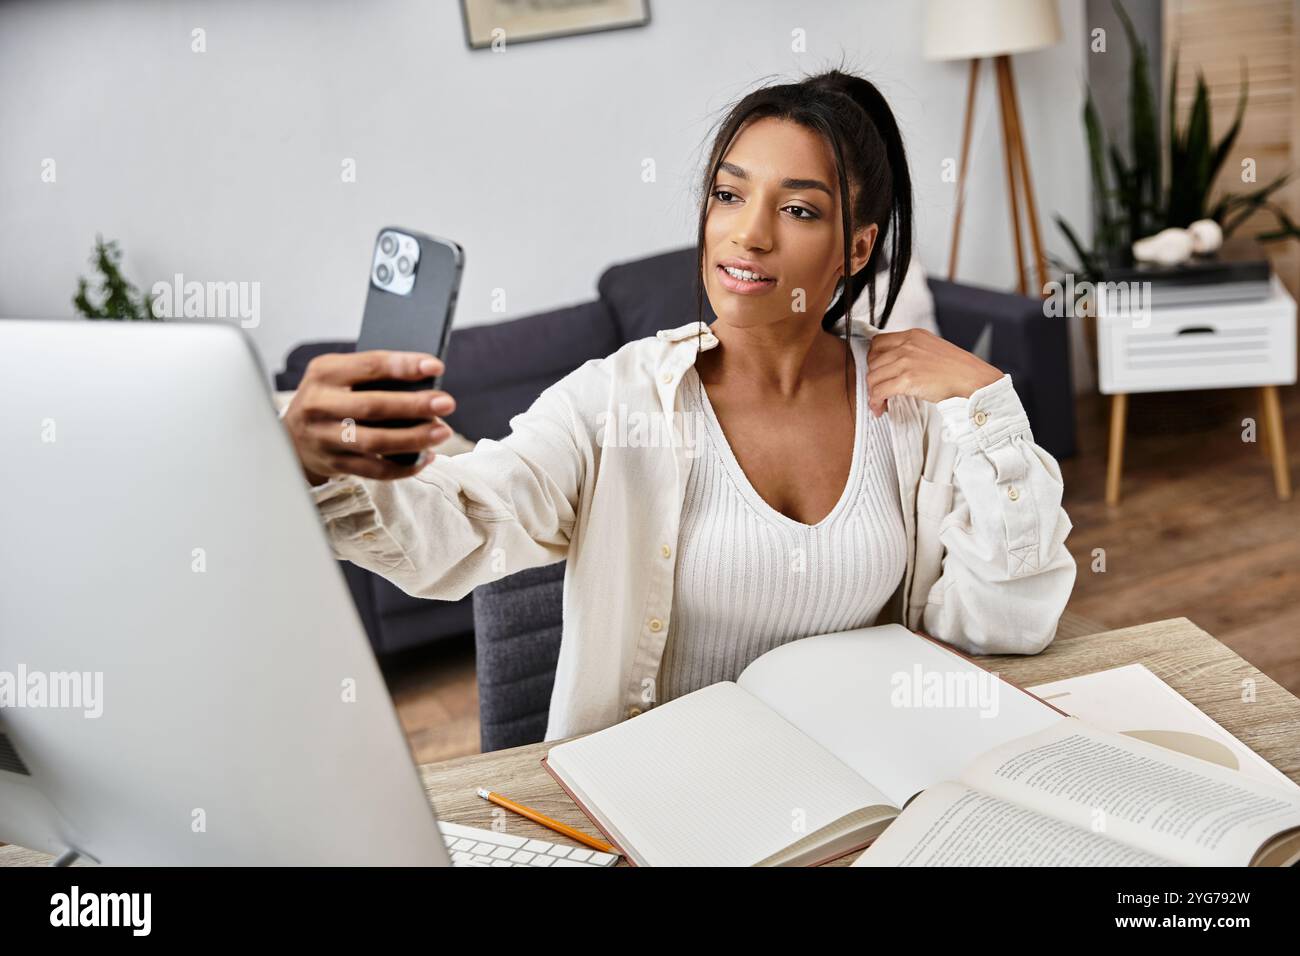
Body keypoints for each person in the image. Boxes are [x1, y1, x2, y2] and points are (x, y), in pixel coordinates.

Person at [281, 68, 1077, 740]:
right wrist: (318, 467)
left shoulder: (913, 413)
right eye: (729, 196)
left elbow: (1006, 626)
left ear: (857, 250)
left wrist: (988, 404)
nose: (749, 235)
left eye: (798, 209)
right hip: (667, 808)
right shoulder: (619, 400)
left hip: (862, 793)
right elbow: (457, 531)